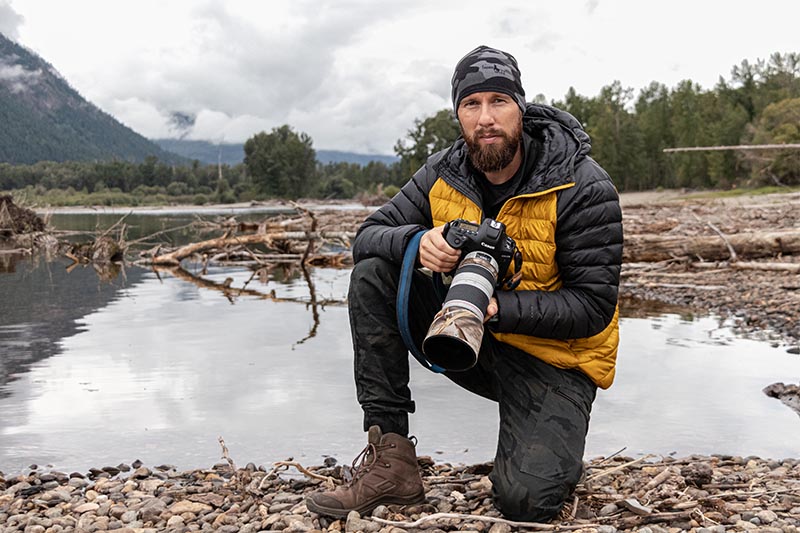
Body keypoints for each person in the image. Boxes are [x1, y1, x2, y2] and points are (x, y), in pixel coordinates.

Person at [307, 45, 623, 522]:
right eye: (471, 104)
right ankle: (392, 460)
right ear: (458, 114)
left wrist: (497, 307)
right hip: (464, 339)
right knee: (374, 272)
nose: (485, 118)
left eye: (499, 101)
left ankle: (552, 452)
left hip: (556, 359)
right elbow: (367, 236)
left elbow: (593, 308)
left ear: (521, 107)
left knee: (526, 502)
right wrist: (419, 241)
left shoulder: (582, 184)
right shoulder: (444, 171)